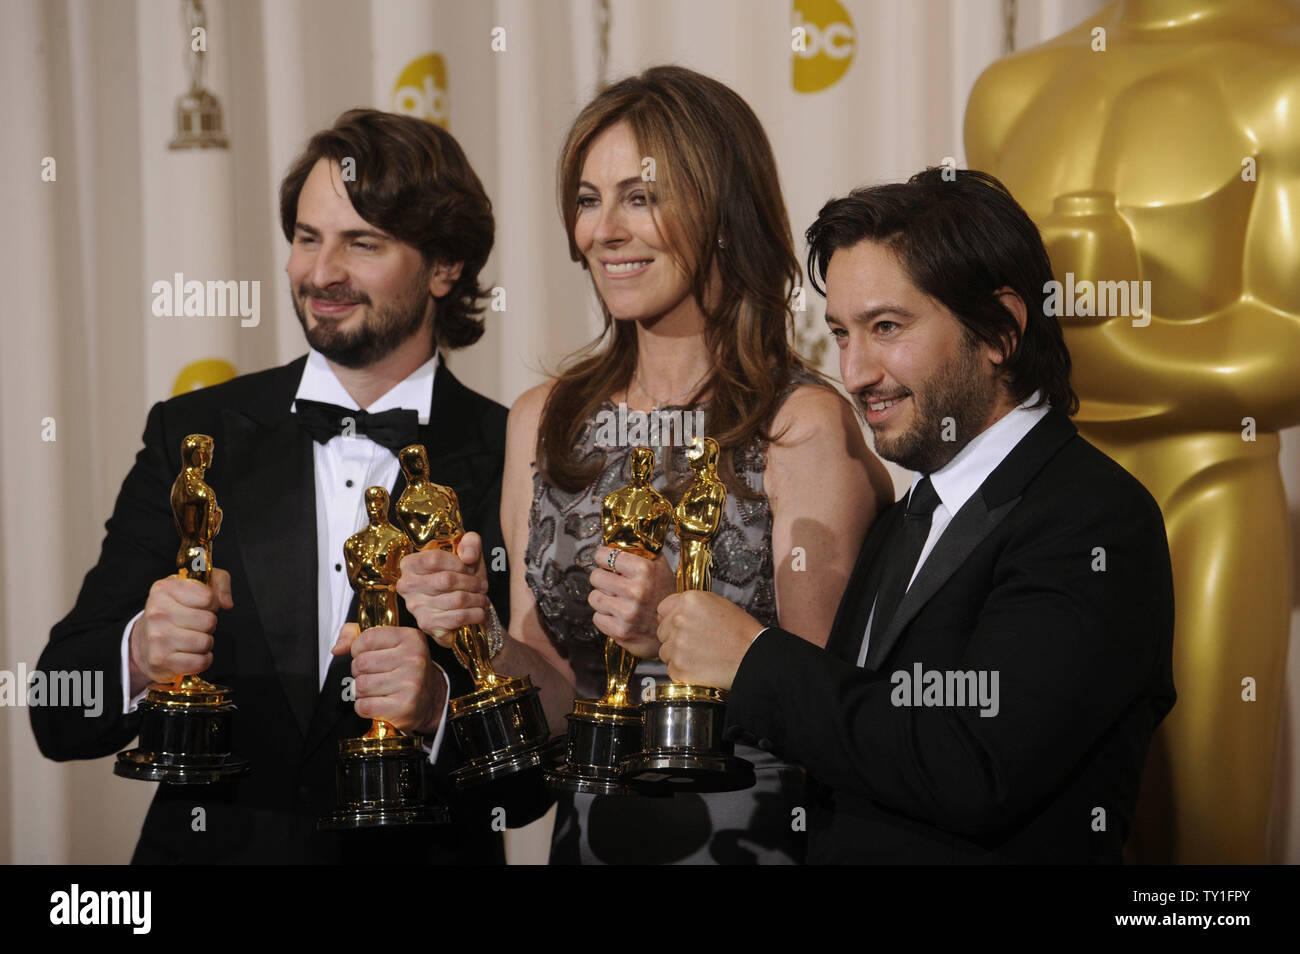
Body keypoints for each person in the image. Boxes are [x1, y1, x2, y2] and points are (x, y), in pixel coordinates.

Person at [397, 66, 892, 864]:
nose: (604, 230)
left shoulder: (797, 425)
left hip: (755, 840)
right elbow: (558, 698)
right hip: (587, 839)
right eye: (589, 200)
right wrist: (475, 631)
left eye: (641, 196)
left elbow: (824, 725)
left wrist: (672, 628)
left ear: (723, 209)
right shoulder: (544, 422)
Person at [655, 168, 1178, 863]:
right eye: (841, 333)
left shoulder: (1094, 520)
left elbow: (976, 766)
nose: (857, 371)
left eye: (887, 327)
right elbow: (860, 743)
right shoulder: (909, 514)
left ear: (999, 331)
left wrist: (754, 661)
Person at [31, 108, 509, 864]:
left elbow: (532, 787)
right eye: (308, 238)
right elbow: (54, 712)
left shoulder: (516, 450)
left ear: (446, 266)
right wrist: (138, 653)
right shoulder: (195, 435)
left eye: (363, 243)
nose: (321, 273)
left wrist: (439, 710)